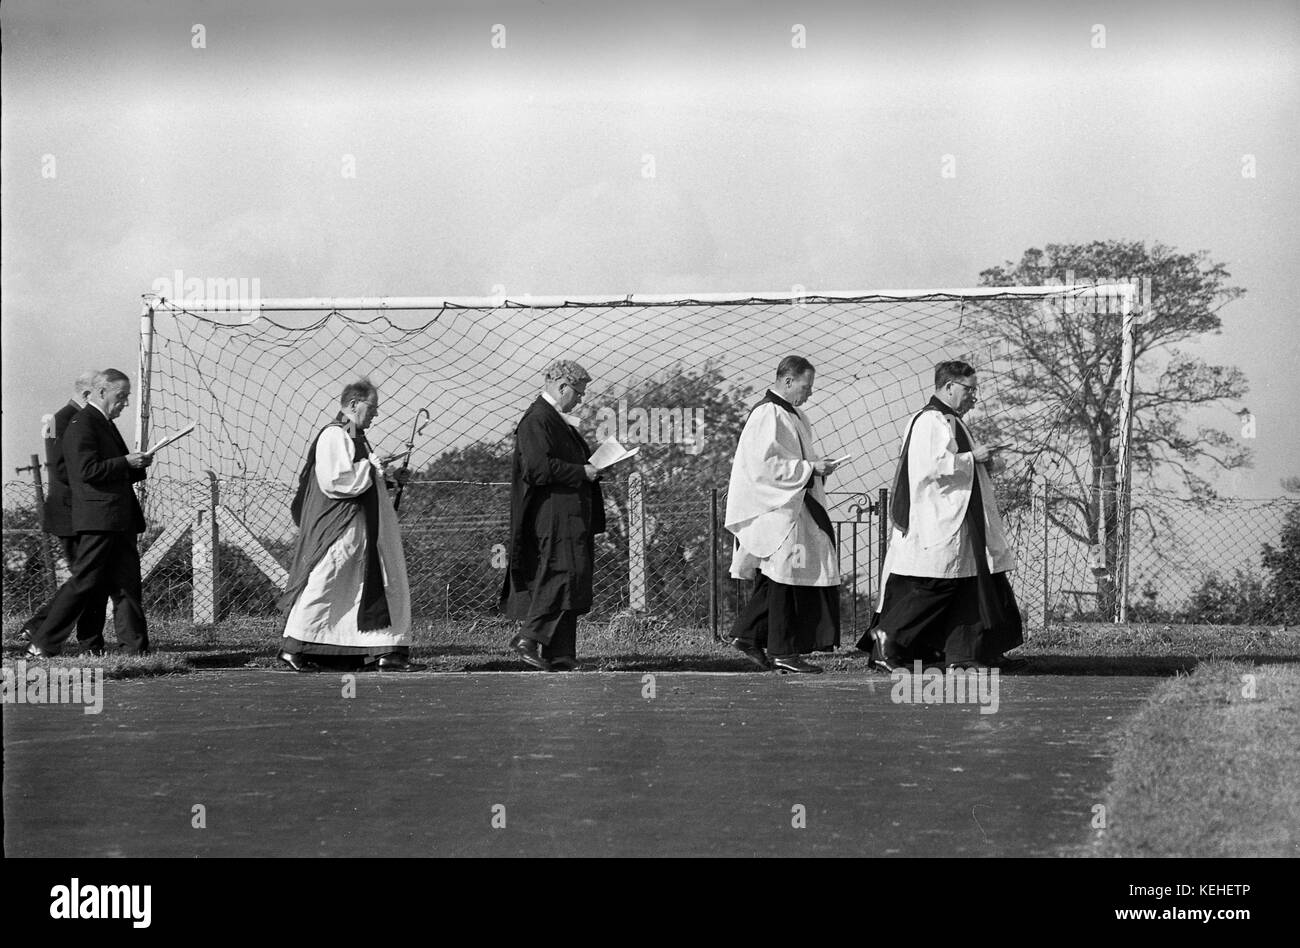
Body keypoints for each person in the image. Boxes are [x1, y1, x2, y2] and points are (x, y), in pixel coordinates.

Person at [857, 360, 1026, 672]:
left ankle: (965, 655)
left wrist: (985, 463)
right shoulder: (930, 421)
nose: (975, 396)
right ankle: (886, 638)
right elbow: (930, 466)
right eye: (969, 389)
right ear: (949, 387)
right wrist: (972, 458)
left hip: (962, 518)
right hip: (937, 519)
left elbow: (957, 462)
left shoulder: (952, 421)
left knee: (970, 584)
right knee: (935, 585)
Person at [277, 380, 421, 672]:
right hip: (342, 526)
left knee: (360, 587)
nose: (376, 414)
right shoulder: (335, 434)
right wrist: (374, 468)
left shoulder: (354, 435)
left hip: (364, 528)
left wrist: (389, 477)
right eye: (373, 407)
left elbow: (359, 476)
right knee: (326, 582)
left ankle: (378, 650)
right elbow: (337, 480)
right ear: (354, 404)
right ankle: (295, 646)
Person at [725, 356, 842, 674]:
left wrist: (817, 466)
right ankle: (782, 650)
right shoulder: (768, 413)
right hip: (776, 509)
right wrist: (809, 468)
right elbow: (764, 466)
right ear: (788, 381)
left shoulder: (794, 415)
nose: (810, 393)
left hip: (792, 504)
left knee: (781, 576)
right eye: (807, 386)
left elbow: (788, 459)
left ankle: (748, 636)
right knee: (784, 576)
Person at [27, 369, 152, 657]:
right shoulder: (81, 424)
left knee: (127, 583)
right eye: (121, 397)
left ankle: (135, 649)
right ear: (100, 392)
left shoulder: (104, 423)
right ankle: (42, 641)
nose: (125, 403)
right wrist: (125, 462)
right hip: (99, 519)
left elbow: (116, 469)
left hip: (119, 518)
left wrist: (136, 463)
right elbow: (85, 471)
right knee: (84, 581)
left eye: (127, 397)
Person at [500, 360, 606, 672]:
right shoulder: (537, 419)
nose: (581, 399)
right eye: (579, 392)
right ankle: (528, 639)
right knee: (560, 575)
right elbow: (537, 468)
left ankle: (560, 652)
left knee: (572, 577)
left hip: (569, 514)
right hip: (552, 516)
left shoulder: (557, 420)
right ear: (562, 387)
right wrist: (582, 471)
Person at [21, 371, 108, 652]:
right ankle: (41, 630)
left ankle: (42, 627)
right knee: (86, 577)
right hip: (71, 512)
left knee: (86, 576)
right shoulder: (66, 420)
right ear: (86, 395)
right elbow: (62, 469)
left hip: (74, 510)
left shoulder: (69, 419)